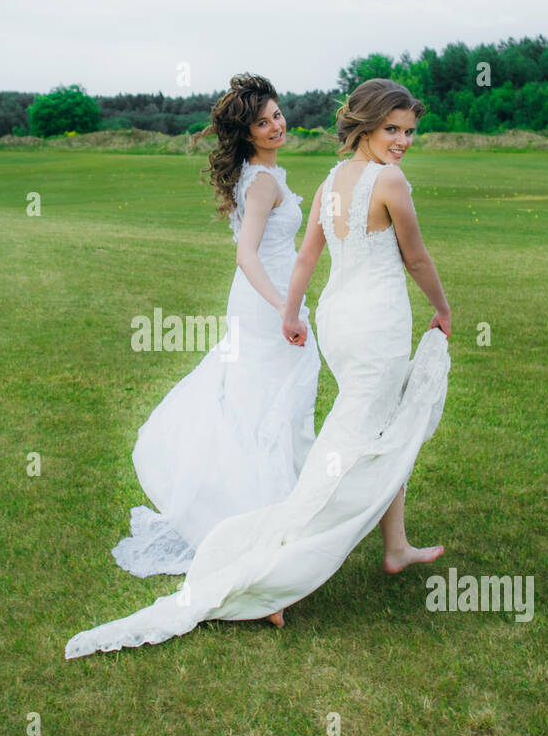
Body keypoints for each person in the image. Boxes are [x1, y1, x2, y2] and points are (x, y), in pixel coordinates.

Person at [67, 79, 451, 658]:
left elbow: (304, 255)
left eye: (408, 131)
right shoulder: (317, 180)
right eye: (392, 130)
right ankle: (273, 564)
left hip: (330, 316)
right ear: (367, 127)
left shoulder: (323, 182)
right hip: (326, 317)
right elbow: (408, 255)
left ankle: (390, 543)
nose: (402, 140)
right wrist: (287, 309)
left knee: (322, 425)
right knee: (311, 432)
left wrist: (294, 308)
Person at [113, 73, 320, 577]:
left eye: (276, 115)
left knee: (264, 408)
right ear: (247, 133)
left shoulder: (262, 172)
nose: (276, 126)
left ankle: (276, 525)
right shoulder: (264, 182)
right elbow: (247, 253)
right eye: (263, 122)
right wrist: (282, 308)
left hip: (264, 301)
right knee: (264, 413)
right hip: (264, 304)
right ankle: (258, 538)